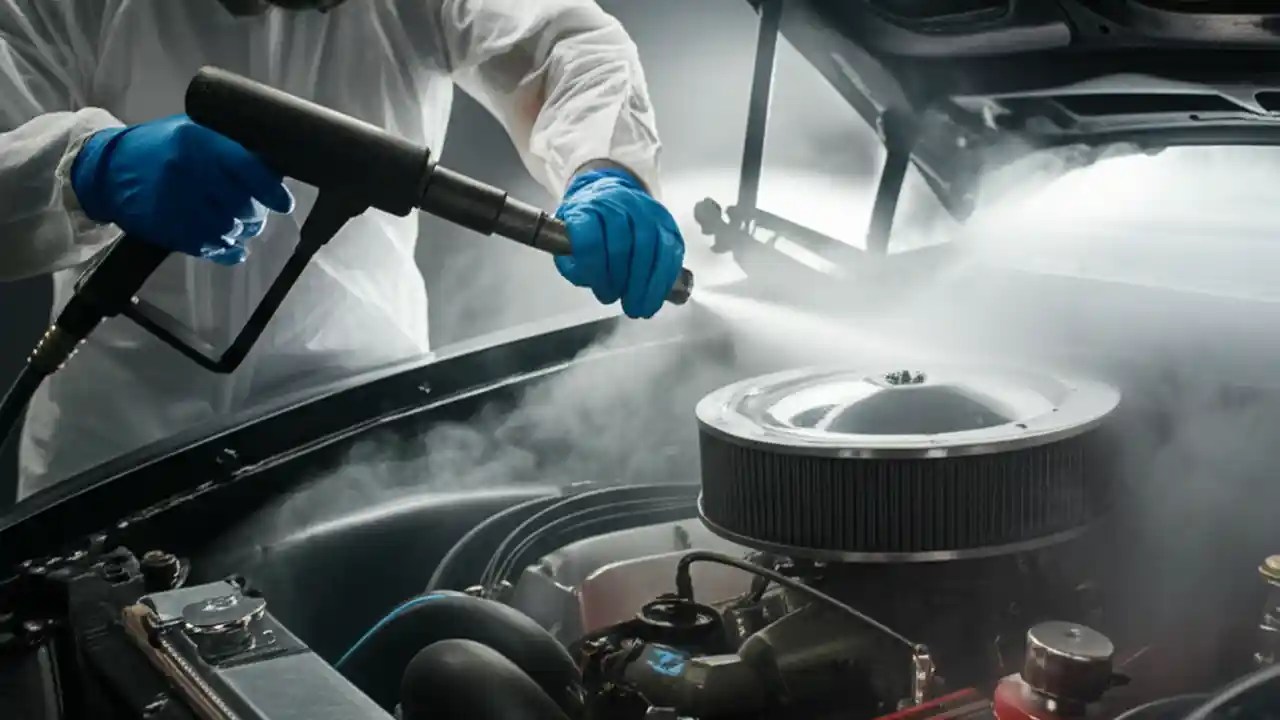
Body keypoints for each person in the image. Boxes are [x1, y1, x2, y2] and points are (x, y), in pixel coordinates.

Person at [0, 0, 686, 499]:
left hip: (355, 427)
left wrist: (606, 167)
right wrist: (90, 168)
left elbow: (563, 44)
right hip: (113, 446)